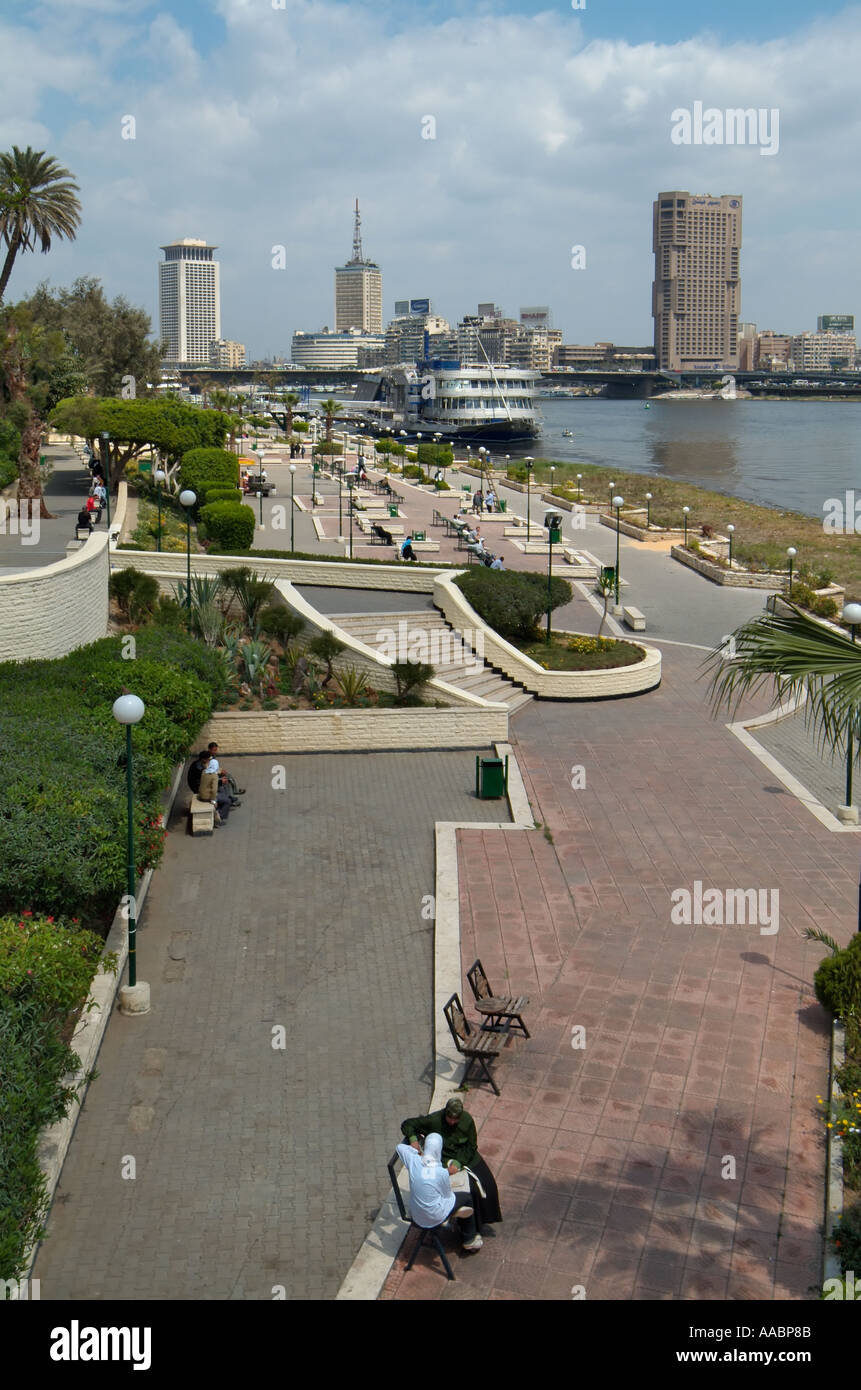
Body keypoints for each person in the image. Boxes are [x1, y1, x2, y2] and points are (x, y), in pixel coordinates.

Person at [401, 1097, 502, 1235]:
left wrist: (459, 1161)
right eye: (450, 1118)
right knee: (469, 1189)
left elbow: (472, 1145)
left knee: (488, 1184)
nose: (453, 1121)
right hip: (446, 1158)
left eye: (456, 1119)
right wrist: (413, 1140)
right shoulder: (434, 1120)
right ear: (445, 1114)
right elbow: (408, 1124)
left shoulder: (467, 1120)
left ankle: (484, 1221)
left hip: (465, 1155)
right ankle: (469, 1231)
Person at [395, 1131, 482, 1251]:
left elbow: (399, 1147)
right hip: (434, 1216)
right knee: (467, 1198)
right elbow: (447, 1195)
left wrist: (417, 1152)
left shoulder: (413, 1161)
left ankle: (453, 1214)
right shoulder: (440, 1173)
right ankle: (469, 1238)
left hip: (417, 1215)